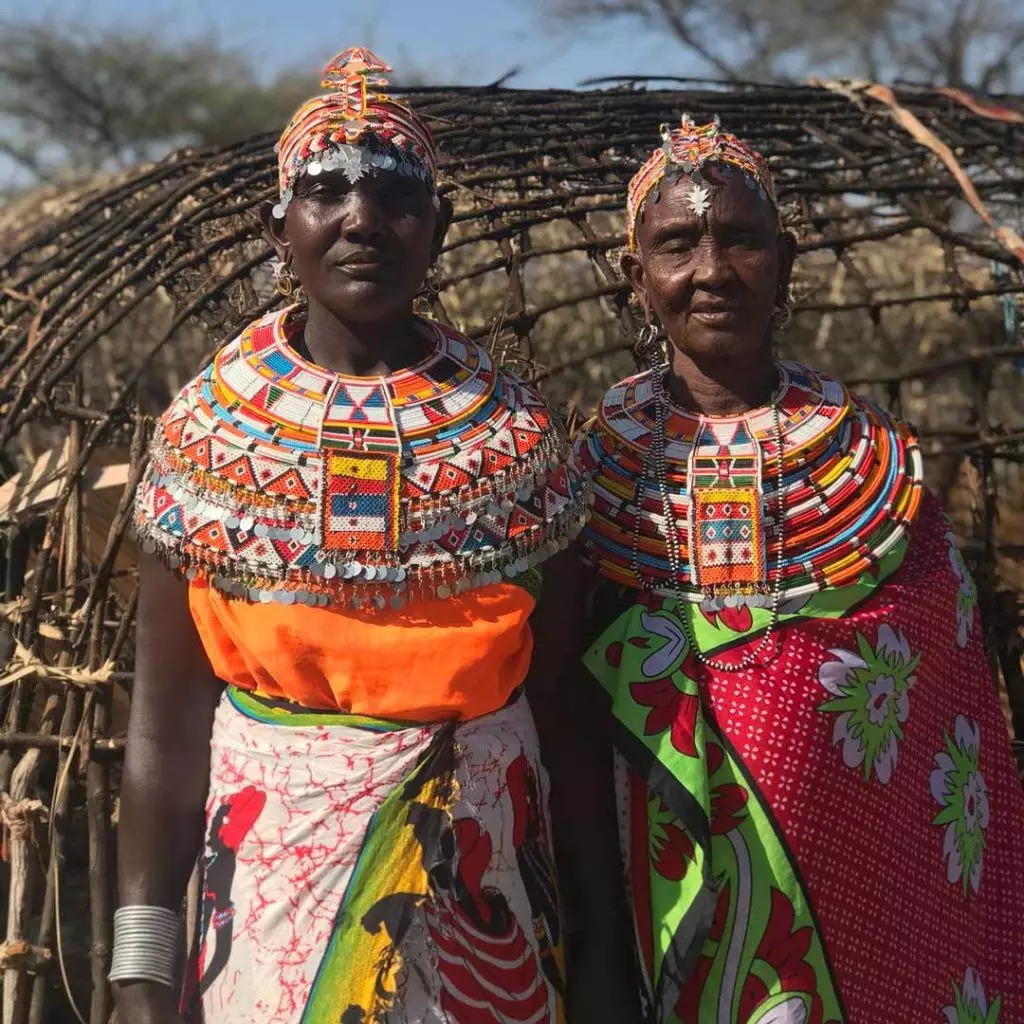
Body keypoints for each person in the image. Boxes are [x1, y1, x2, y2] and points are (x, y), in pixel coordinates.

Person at [111, 47, 605, 1024]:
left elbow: (562, 718)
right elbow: (164, 739)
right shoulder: (208, 439)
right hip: (263, 929)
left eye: (393, 193)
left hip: (485, 919)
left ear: (439, 227)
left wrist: (599, 964)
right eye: (325, 190)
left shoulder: (514, 441)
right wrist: (138, 976)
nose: (360, 220)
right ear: (279, 227)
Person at [574, 115, 1024, 1023]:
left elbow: (946, 699)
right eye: (677, 245)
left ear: (783, 259)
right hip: (655, 877)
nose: (710, 270)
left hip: (864, 870)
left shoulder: (871, 464)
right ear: (636, 279)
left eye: (739, 240)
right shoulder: (590, 480)